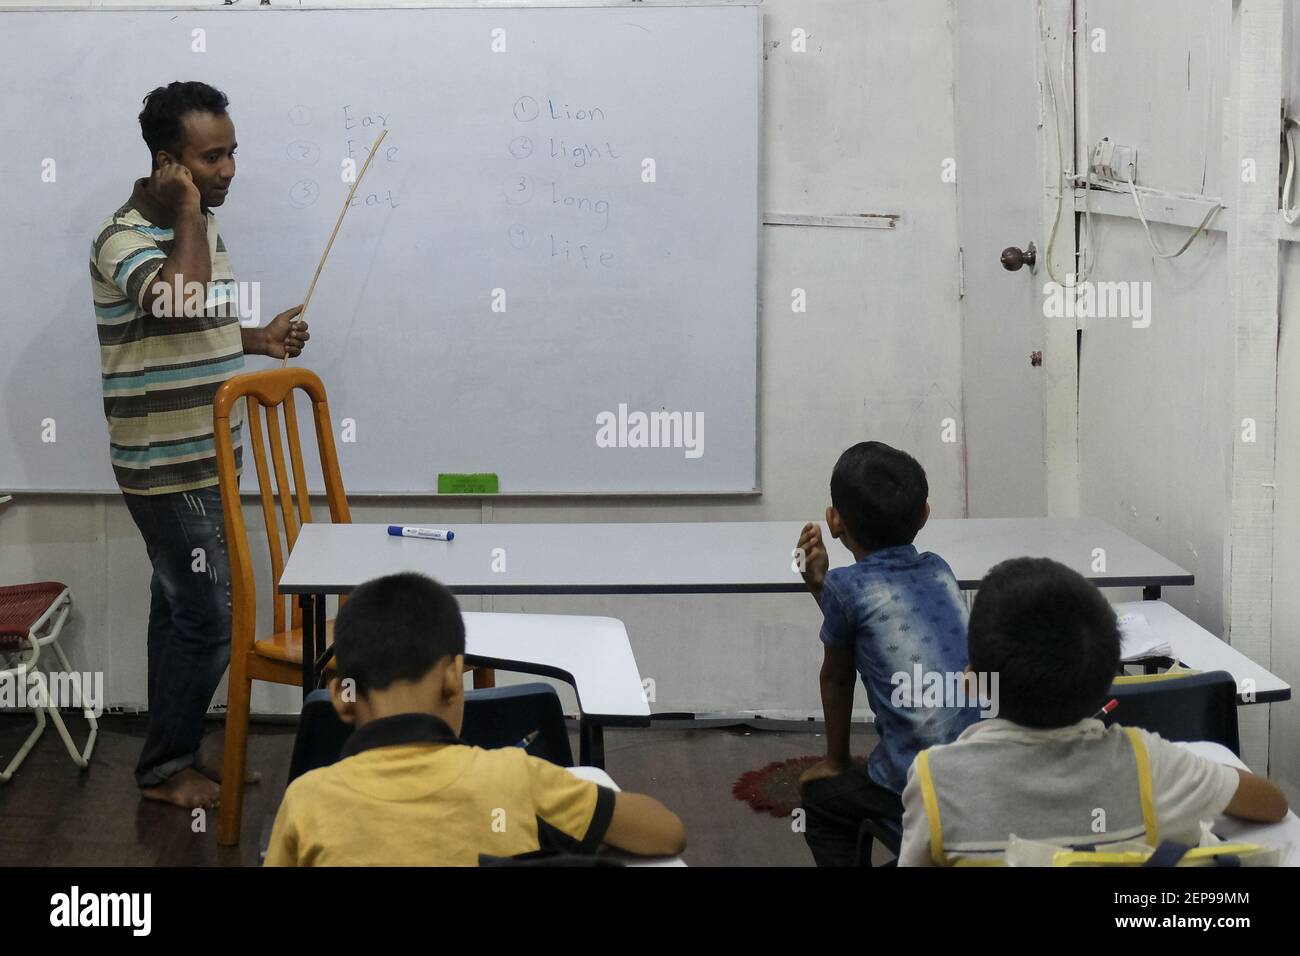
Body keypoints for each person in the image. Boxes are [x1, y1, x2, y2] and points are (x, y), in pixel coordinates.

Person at [91, 81, 309, 808]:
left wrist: (255, 339)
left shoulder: (198, 227)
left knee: (177, 608)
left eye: (233, 152)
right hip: (163, 465)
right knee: (212, 616)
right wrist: (187, 211)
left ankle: (169, 756)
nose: (229, 171)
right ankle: (164, 770)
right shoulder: (123, 237)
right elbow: (175, 298)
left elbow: (193, 320)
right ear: (168, 163)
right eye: (212, 158)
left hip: (210, 453)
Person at [266, 572, 687, 866]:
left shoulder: (308, 801)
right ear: (452, 677)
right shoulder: (515, 779)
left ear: (342, 696)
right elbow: (666, 833)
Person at [899, 557, 1289, 865]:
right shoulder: (1149, 764)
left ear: (974, 686)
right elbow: (1272, 805)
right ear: (1107, 686)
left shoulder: (936, 779)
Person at [795, 441, 978, 866]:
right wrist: (823, 588)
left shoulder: (845, 587)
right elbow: (876, 624)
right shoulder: (939, 568)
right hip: (983, 770)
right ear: (925, 515)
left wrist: (836, 761)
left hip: (915, 786)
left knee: (819, 800)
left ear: (834, 521)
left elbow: (838, 678)